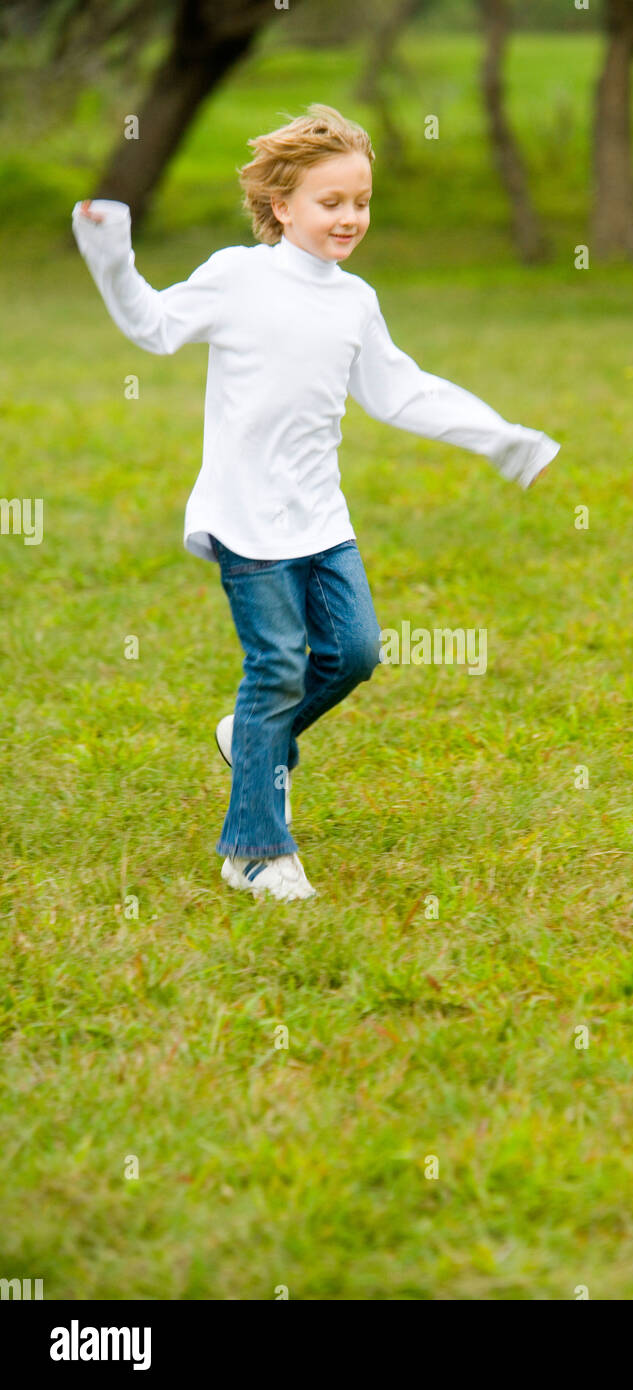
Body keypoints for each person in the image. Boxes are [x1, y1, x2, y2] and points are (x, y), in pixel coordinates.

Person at [72, 103, 561, 904]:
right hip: (245, 521)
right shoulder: (238, 277)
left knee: (356, 653)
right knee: (273, 670)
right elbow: (153, 326)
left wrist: (502, 438)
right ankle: (256, 851)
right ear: (281, 207)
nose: (351, 217)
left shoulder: (354, 302)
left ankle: (250, 745)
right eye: (332, 202)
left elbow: (402, 393)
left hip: (320, 520)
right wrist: (110, 255)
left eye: (361, 201)